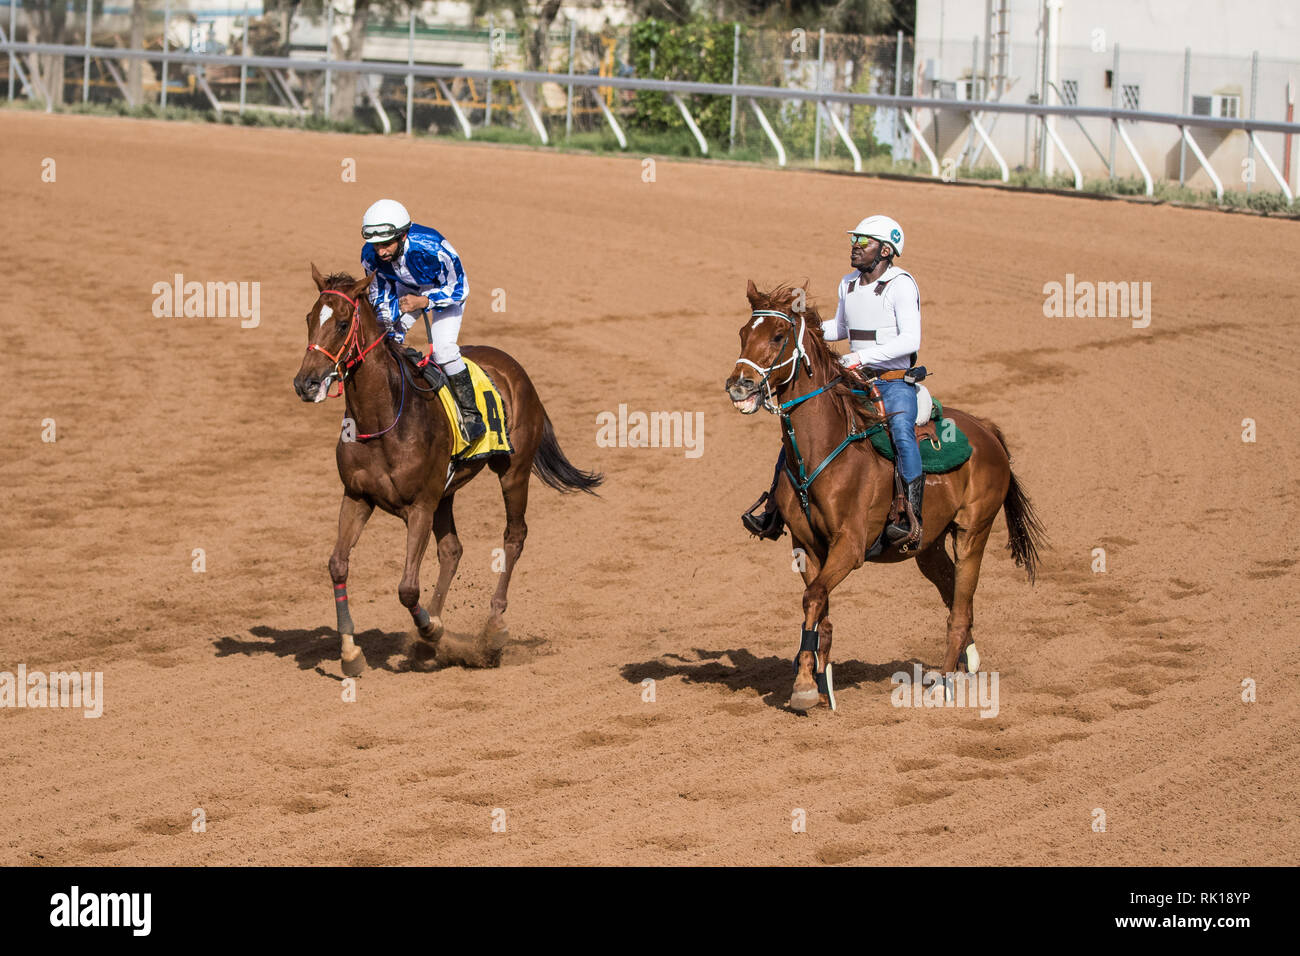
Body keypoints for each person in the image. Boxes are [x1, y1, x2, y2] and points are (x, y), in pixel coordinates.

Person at [741, 214, 924, 547]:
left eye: (863, 242)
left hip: (893, 381)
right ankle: (774, 509)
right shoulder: (848, 283)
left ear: (885, 250)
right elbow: (840, 328)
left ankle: (910, 512)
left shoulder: (901, 284)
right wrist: (798, 332)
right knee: (801, 425)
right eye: (855, 241)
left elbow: (911, 340)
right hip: (854, 377)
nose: (855, 247)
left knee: (900, 430)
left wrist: (862, 357)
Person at [359, 198, 485, 442]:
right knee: (384, 342)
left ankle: (471, 415)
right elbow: (379, 294)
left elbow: (460, 288)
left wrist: (424, 302)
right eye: (375, 245)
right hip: (405, 289)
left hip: (443, 293)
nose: (381, 251)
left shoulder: (432, 247)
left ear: (403, 236)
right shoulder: (370, 255)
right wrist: (387, 324)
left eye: (386, 244)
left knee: (444, 350)